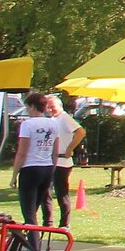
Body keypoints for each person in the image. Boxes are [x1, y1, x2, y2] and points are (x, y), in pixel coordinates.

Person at [12, 93, 63, 251]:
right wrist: (52, 169)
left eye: (27, 106)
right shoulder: (53, 124)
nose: (27, 109)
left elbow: (22, 151)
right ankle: (26, 242)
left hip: (30, 168)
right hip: (46, 167)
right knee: (33, 210)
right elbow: (55, 151)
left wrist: (14, 175)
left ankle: (34, 248)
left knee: (28, 213)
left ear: (33, 107)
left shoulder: (28, 124)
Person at [41, 95, 84, 228]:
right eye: (48, 107)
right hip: (51, 160)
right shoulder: (52, 119)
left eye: (52, 107)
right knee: (45, 191)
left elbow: (81, 132)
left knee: (61, 192)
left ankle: (64, 223)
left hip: (62, 161)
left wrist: (70, 148)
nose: (50, 110)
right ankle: (47, 222)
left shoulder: (64, 118)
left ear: (59, 106)